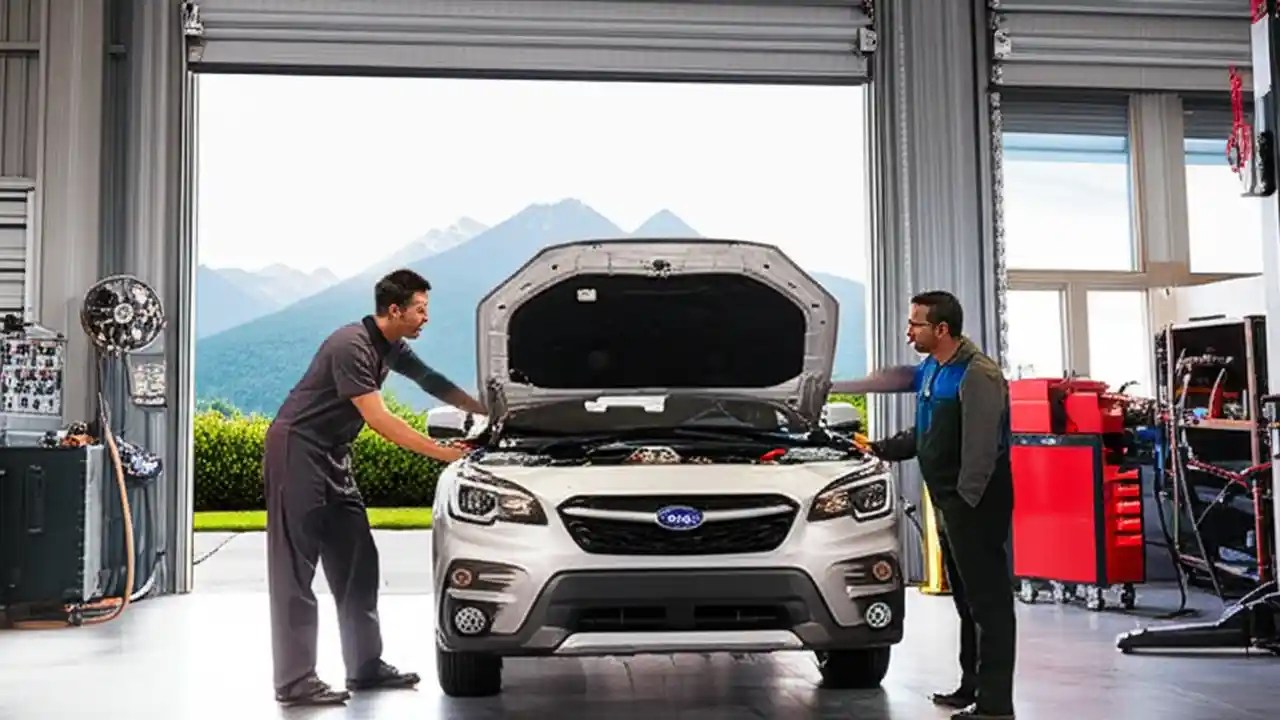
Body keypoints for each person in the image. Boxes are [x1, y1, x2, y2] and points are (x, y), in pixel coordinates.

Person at [264, 268, 487, 706]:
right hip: (297, 451)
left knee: (358, 561)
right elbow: (379, 419)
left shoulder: (390, 346)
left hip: (333, 455)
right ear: (394, 309)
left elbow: (430, 380)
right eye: (420, 310)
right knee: (295, 569)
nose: (426, 318)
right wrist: (442, 453)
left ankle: (365, 666)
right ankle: (294, 681)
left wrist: (485, 409)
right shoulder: (351, 345)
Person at [831, 290, 1016, 720]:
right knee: (965, 601)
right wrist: (877, 445)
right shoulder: (934, 368)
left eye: (915, 324)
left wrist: (963, 505)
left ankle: (995, 705)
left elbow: (981, 451)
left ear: (942, 329)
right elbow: (922, 430)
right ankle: (970, 686)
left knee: (988, 604)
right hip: (949, 504)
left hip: (974, 505)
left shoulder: (977, 374)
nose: (908, 331)